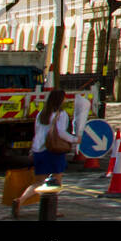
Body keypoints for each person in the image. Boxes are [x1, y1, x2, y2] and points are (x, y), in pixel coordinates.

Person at [14, 89, 76, 217]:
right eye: (64, 98)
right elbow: (61, 133)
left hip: (38, 150)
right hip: (53, 150)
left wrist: (33, 149)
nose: (66, 100)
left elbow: (36, 132)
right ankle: (52, 209)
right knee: (56, 181)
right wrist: (75, 139)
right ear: (60, 100)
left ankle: (21, 200)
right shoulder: (61, 114)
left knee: (39, 182)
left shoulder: (41, 113)